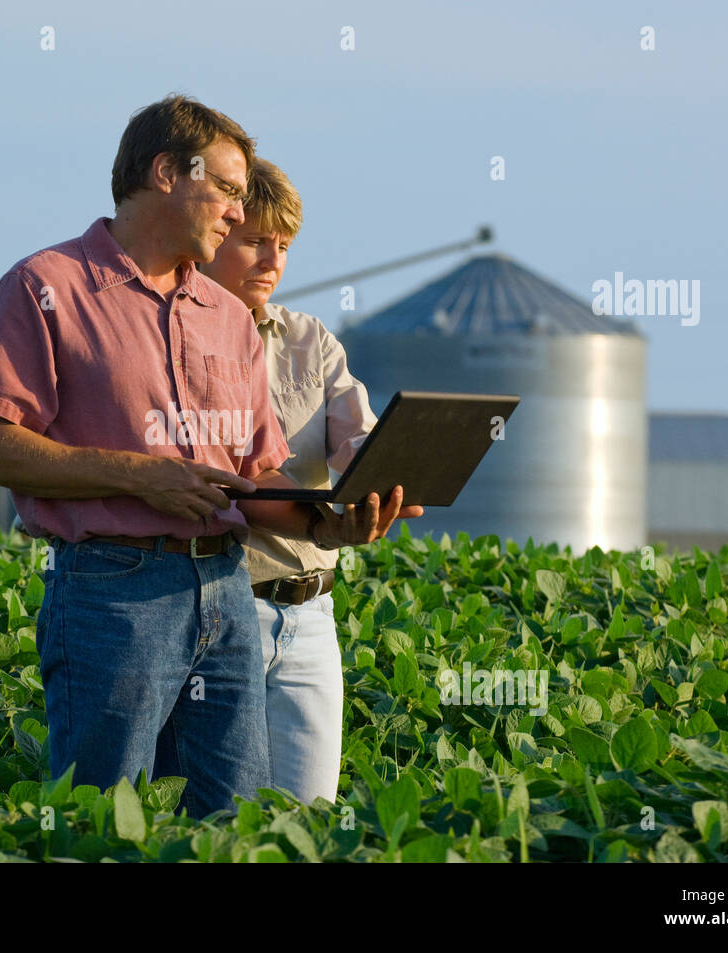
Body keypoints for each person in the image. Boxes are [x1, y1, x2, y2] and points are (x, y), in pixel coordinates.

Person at [0, 95, 398, 818]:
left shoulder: (228, 318)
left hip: (226, 589)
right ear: (165, 172)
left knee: (230, 825)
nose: (235, 211)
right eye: (225, 190)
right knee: (104, 820)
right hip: (112, 593)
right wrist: (138, 475)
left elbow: (256, 472)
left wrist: (327, 526)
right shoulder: (44, 289)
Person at [200, 157, 424, 805]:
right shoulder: (178, 339)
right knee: (221, 822)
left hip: (311, 612)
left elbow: (359, 439)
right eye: (254, 241)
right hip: (224, 605)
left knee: (310, 817)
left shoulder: (310, 340)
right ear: (217, 236)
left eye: (285, 246)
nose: (272, 259)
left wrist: (379, 482)